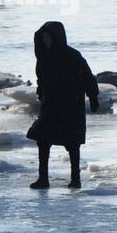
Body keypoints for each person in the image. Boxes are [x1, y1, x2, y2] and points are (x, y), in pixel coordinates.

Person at [27, 21, 99, 189]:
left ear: (57, 37)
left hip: (70, 105)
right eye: (43, 38)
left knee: (72, 144)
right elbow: (41, 79)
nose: (46, 41)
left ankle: (75, 179)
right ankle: (43, 178)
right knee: (42, 140)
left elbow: (88, 77)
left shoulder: (73, 56)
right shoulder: (43, 56)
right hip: (50, 105)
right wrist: (41, 93)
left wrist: (93, 96)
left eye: (48, 37)